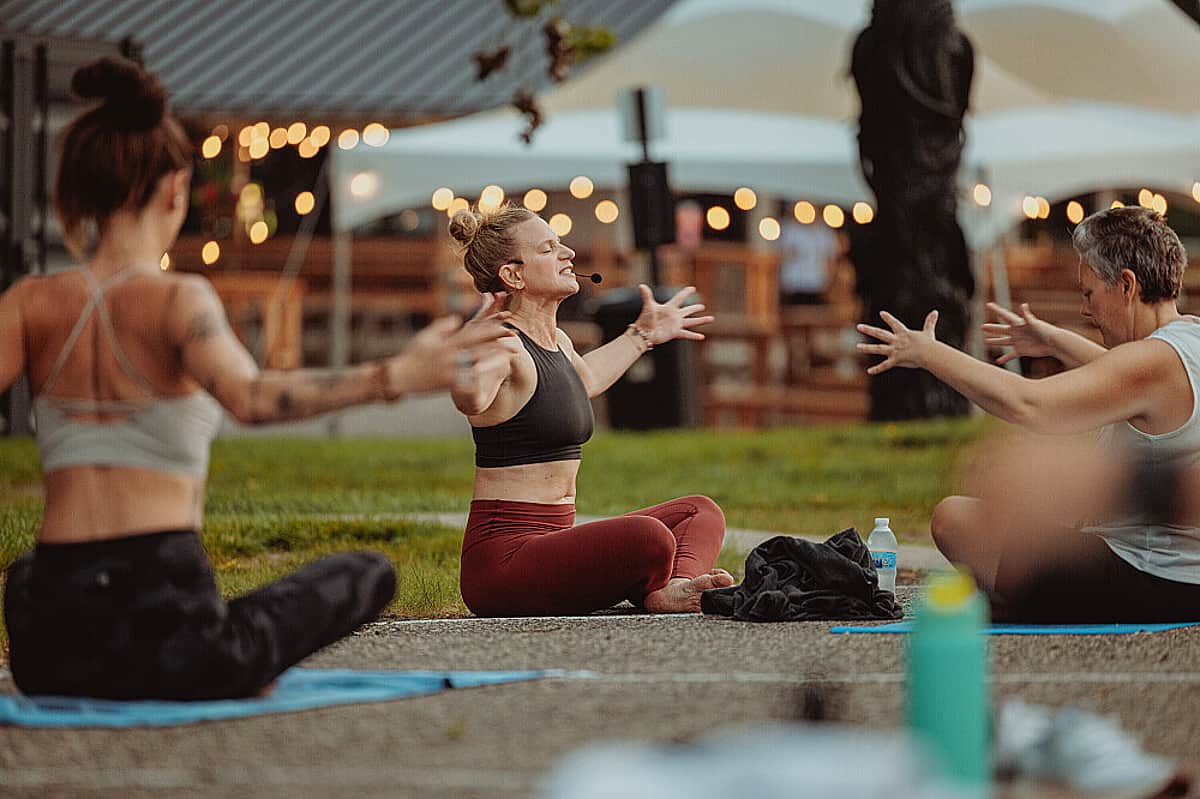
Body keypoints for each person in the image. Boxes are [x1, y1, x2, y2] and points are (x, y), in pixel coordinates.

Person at [0, 57, 514, 699]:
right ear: (174, 191)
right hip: (170, 628)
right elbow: (252, 397)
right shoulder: (177, 300)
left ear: (76, 190)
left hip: (50, 633)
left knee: (25, 572)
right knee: (368, 574)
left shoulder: (28, 302)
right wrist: (395, 375)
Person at [857, 206, 1200, 622]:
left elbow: (1029, 404)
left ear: (1126, 285)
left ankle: (1022, 604)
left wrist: (931, 354)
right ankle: (1017, 599)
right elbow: (1127, 381)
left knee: (955, 518)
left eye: (1089, 293)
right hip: (1177, 576)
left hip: (1154, 582)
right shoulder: (1186, 342)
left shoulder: (1150, 362)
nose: (1086, 310)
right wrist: (1056, 341)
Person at [447, 204, 735, 617]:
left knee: (699, 511)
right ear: (514, 275)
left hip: (550, 547)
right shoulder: (502, 345)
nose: (567, 254)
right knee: (649, 539)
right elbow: (471, 399)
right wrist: (463, 353)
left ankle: (672, 588)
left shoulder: (557, 342)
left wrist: (643, 335)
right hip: (502, 564)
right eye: (549, 249)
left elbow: (585, 382)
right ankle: (658, 581)